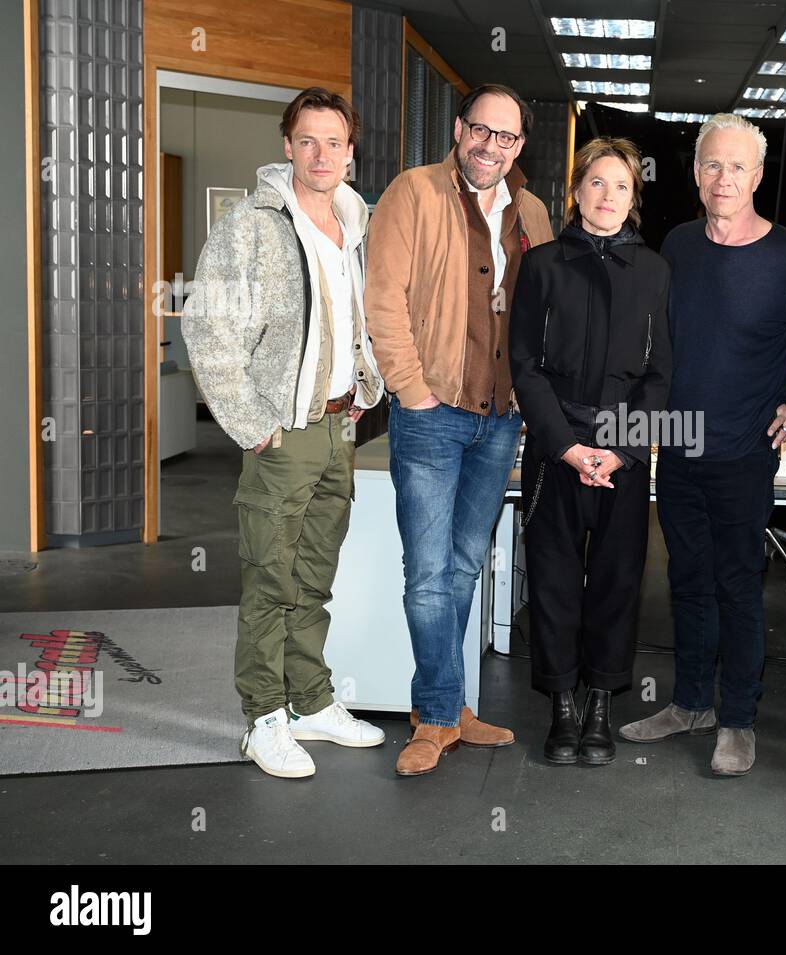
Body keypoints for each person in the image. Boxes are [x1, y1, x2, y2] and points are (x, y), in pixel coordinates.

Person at [618, 114, 786, 776]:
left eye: (737, 167)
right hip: (678, 447)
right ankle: (688, 703)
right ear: (695, 173)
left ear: (758, 176)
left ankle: (737, 717)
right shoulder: (678, 244)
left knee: (736, 583)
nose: (723, 178)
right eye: (712, 165)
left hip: (744, 451)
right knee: (685, 579)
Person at [184, 87, 386, 779]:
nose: (321, 154)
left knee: (313, 580)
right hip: (282, 434)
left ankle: (311, 701)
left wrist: (366, 386)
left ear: (351, 152)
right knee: (270, 581)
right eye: (308, 140)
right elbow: (207, 326)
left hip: (338, 430)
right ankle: (263, 718)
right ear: (287, 146)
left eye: (334, 141)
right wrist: (253, 424)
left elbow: (362, 317)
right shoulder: (253, 225)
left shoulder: (358, 220)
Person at [365, 84, 555, 777]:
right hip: (433, 413)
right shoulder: (412, 193)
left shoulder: (532, 211)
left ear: (519, 146)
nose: (490, 146)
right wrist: (410, 390)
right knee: (427, 575)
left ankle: (454, 709)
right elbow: (383, 298)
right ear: (458, 128)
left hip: (501, 420)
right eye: (480, 130)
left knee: (466, 565)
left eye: (505, 137)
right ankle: (436, 713)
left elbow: (543, 313)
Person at [509, 137, 671, 766]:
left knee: (616, 582)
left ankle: (601, 703)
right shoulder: (544, 263)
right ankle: (560, 706)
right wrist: (569, 447)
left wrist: (622, 452)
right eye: (596, 183)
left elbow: (663, 375)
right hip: (558, 449)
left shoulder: (655, 271)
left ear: (634, 199)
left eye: (621, 186)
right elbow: (524, 365)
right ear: (576, 190)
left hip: (625, 455)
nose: (607, 196)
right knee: (552, 581)